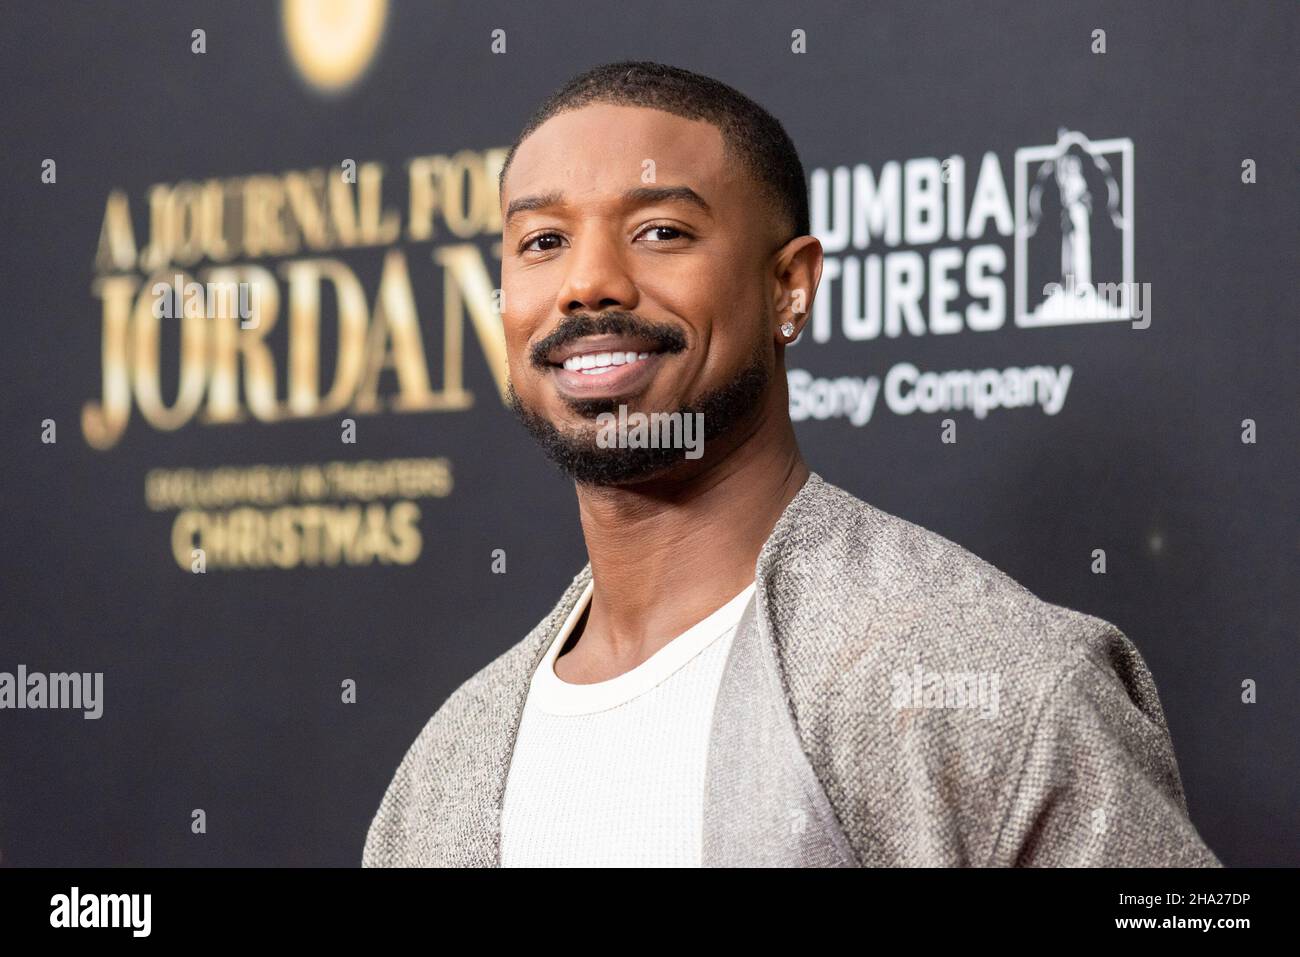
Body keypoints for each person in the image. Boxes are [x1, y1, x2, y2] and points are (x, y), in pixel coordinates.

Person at [363, 60, 1221, 867]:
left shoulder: (988, 680)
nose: (588, 283)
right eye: (542, 241)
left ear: (790, 288)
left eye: (661, 230)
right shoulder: (448, 766)